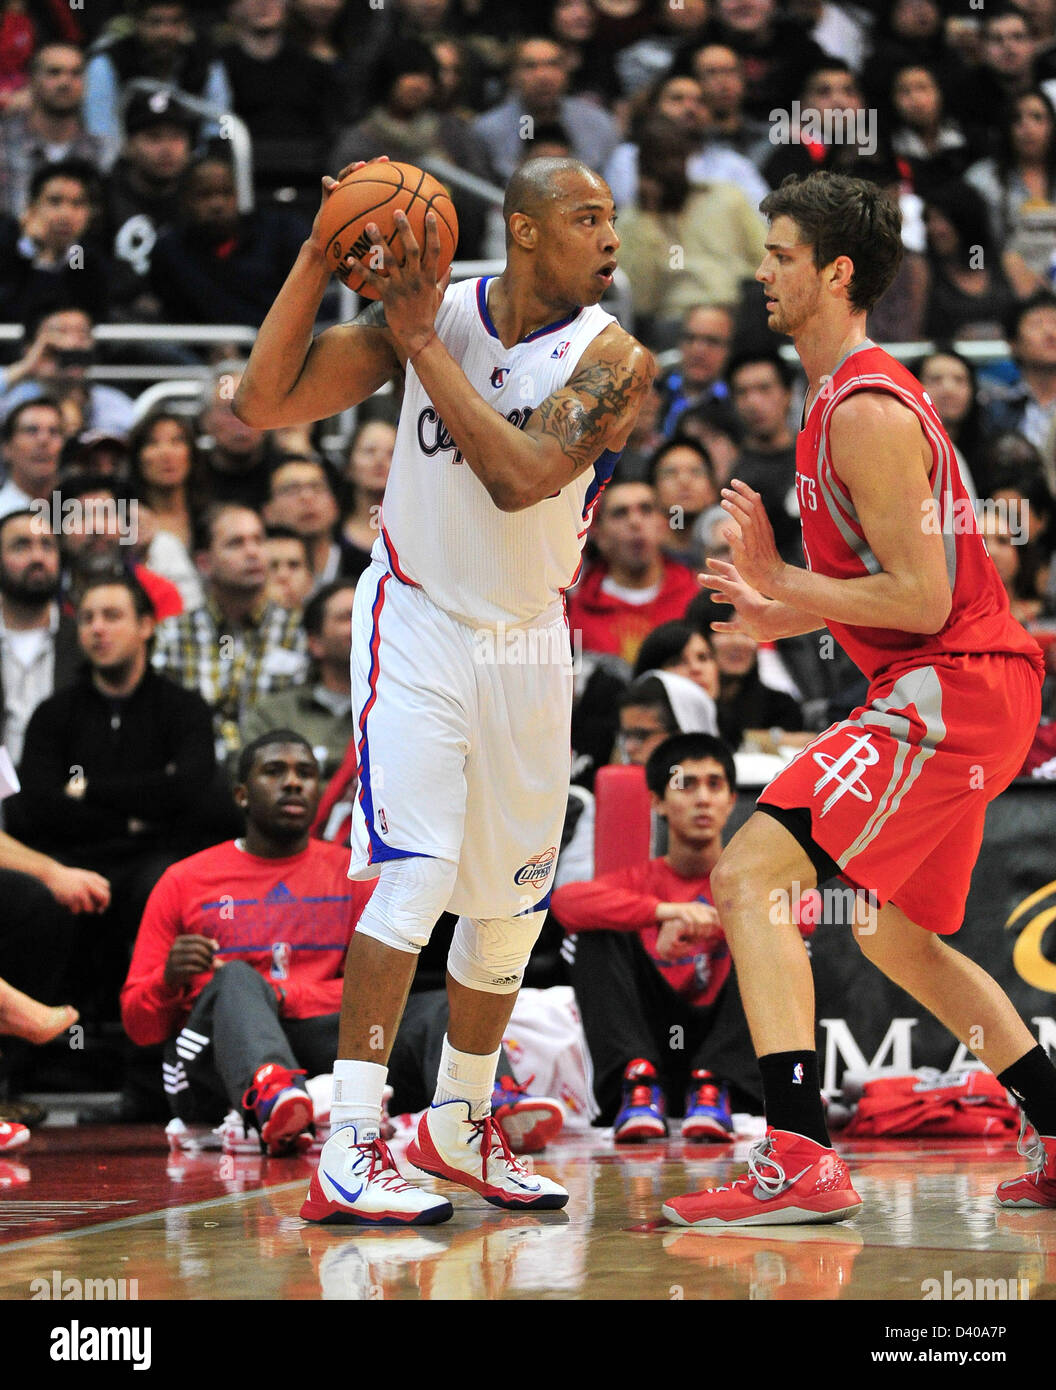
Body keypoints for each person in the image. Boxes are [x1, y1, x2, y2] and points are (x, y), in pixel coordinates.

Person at [234, 151, 654, 1224]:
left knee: (511, 913)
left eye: (613, 219)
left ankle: (456, 1128)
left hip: (528, 640)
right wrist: (318, 252)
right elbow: (262, 398)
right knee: (414, 878)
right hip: (416, 617)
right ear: (522, 230)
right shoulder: (435, 311)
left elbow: (521, 480)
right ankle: (354, 1140)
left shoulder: (614, 359)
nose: (612, 236)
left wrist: (421, 342)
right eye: (587, 217)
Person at [663, 170, 1055, 1228]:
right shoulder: (835, 396)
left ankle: (796, 1154)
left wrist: (788, 587)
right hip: (963, 689)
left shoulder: (868, 405)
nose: (764, 270)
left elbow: (922, 597)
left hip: (952, 687)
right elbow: (884, 599)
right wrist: (774, 611)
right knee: (890, 935)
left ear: (837, 273)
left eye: (783, 253)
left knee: (749, 870)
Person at [10, 572, 216, 1018]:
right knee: (42, 897)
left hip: (158, 855)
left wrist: (85, 789)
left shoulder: (182, 708)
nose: (97, 628)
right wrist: (133, 815)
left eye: (112, 616)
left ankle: (154, 1039)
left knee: (163, 887)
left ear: (146, 625)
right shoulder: (55, 713)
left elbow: (191, 792)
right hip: (76, 855)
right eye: (86, 619)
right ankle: (60, 1043)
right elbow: (40, 806)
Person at [552, 733, 761, 1141]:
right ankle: (638, 1084)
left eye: (714, 785)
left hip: (728, 1055)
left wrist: (716, 923)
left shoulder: (748, 883)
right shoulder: (637, 882)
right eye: (686, 784)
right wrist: (666, 912)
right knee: (594, 932)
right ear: (657, 802)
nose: (702, 798)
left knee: (784, 939)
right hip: (651, 1047)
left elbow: (807, 912)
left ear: (731, 800)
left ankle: (714, 1083)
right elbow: (566, 903)